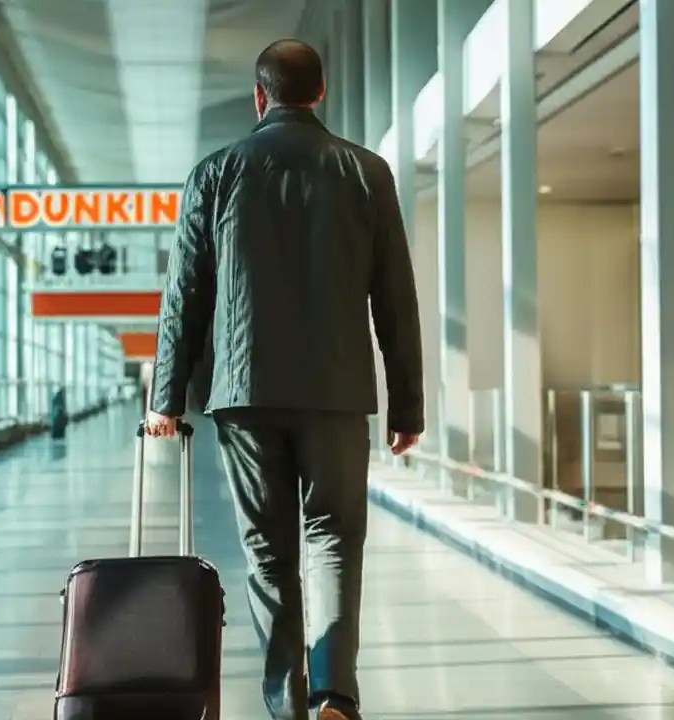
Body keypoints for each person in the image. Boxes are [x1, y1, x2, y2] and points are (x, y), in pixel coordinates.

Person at [144, 38, 424, 720]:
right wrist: (406, 404)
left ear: (259, 95)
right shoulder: (367, 172)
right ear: (321, 93)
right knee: (332, 542)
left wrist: (166, 399)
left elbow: (185, 294)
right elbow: (395, 295)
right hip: (337, 393)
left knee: (269, 555)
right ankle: (335, 692)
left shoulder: (215, 173)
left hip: (245, 396)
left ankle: (286, 705)